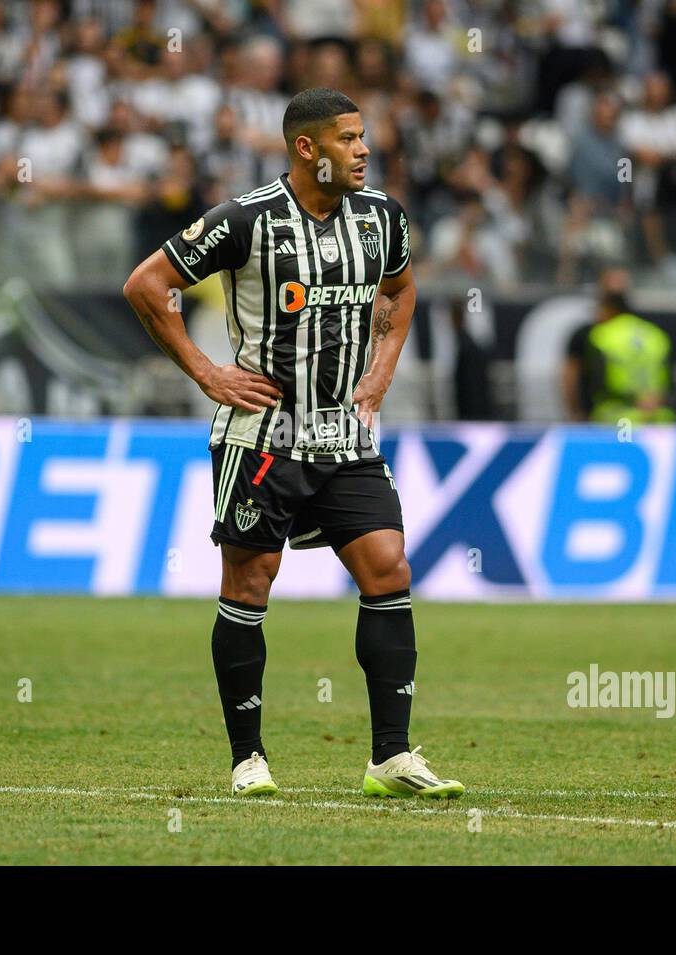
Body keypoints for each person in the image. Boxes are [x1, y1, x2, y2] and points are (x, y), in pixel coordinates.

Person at [123, 87, 464, 800]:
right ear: (308, 149)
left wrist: (379, 375)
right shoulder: (246, 221)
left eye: (364, 136)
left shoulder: (382, 220)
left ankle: (391, 757)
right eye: (348, 138)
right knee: (251, 583)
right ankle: (248, 757)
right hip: (262, 436)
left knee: (388, 567)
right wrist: (208, 371)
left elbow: (401, 293)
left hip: (344, 431)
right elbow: (148, 285)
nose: (364, 149)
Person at [565, 269, 676, 423]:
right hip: (657, 420)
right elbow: (670, 381)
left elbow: (572, 379)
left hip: (612, 421)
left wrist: (576, 413)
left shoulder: (595, 335)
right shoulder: (654, 334)